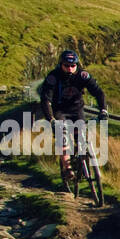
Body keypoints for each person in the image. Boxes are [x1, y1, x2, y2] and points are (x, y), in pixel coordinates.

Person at [39, 50, 107, 189]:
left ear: (77, 65)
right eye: (66, 65)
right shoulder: (53, 77)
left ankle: (84, 160)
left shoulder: (83, 75)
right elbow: (46, 100)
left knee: (81, 136)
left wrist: (103, 109)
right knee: (62, 135)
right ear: (61, 64)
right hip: (60, 111)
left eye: (73, 66)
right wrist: (51, 119)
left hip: (77, 110)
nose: (70, 68)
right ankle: (68, 169)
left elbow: (98, 92)